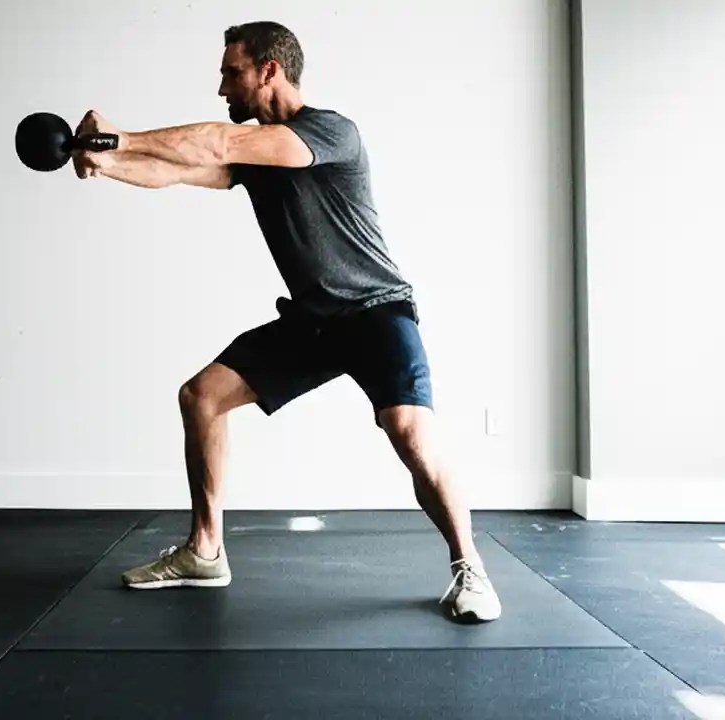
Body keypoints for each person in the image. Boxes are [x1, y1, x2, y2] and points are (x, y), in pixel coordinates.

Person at [72, 21, 500, 623]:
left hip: (376, 311)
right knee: (201, 398)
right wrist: (106, 162)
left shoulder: (328, 132)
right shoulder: (256, 153)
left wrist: (121, 135)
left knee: (410, 433)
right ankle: (205, 551)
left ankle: (470, 568)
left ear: (269, 70)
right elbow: (180, 170)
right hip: (314, 322)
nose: (222, 86)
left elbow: (218, 144)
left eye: (232, 72)